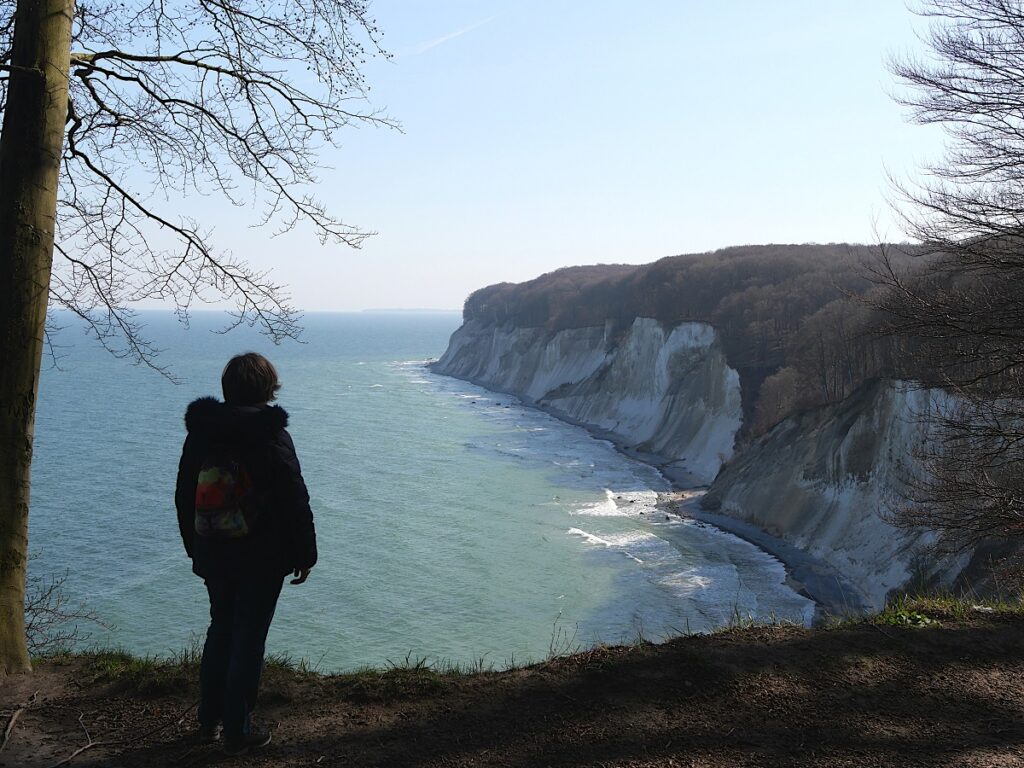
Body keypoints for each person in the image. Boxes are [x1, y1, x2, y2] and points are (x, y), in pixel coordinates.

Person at [175, 352, 317, 756]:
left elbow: (184, 494)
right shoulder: (271, 435)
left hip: (214, 551)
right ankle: (237, 730)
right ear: (268, 388)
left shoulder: (202, 433)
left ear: (228, 388)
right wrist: (305, 554)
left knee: (220, 629)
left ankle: (208, 721)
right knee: (249, 638)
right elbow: (294, 498)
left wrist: (195, 547)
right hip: (262, 555)